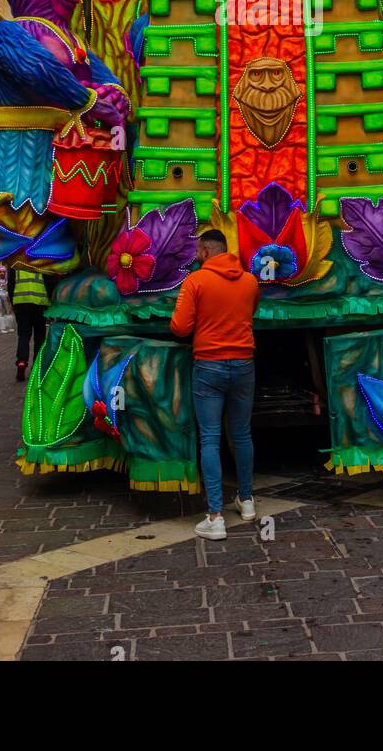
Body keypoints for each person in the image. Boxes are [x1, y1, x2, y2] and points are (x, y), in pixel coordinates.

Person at [170, 229, 260, 541]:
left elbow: (180, 327)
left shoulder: (195, 281)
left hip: (208, 365)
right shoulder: (250, 281)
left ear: (207, 250)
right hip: (244, 363)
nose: (196, 256)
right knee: (242, 434)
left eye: (198, 251)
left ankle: (215, 516)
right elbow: (251, 312)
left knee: (210, 439)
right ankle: (247, 501)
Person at [13, 268, 50, 382]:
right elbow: (48, 282)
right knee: (39, 335)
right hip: (39, 303)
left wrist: (13, 301)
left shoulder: (17, 262)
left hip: (20, 302)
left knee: (23, 334)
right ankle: (36, 367)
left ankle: (21, 361)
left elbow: (11, 284)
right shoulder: (41, 260)